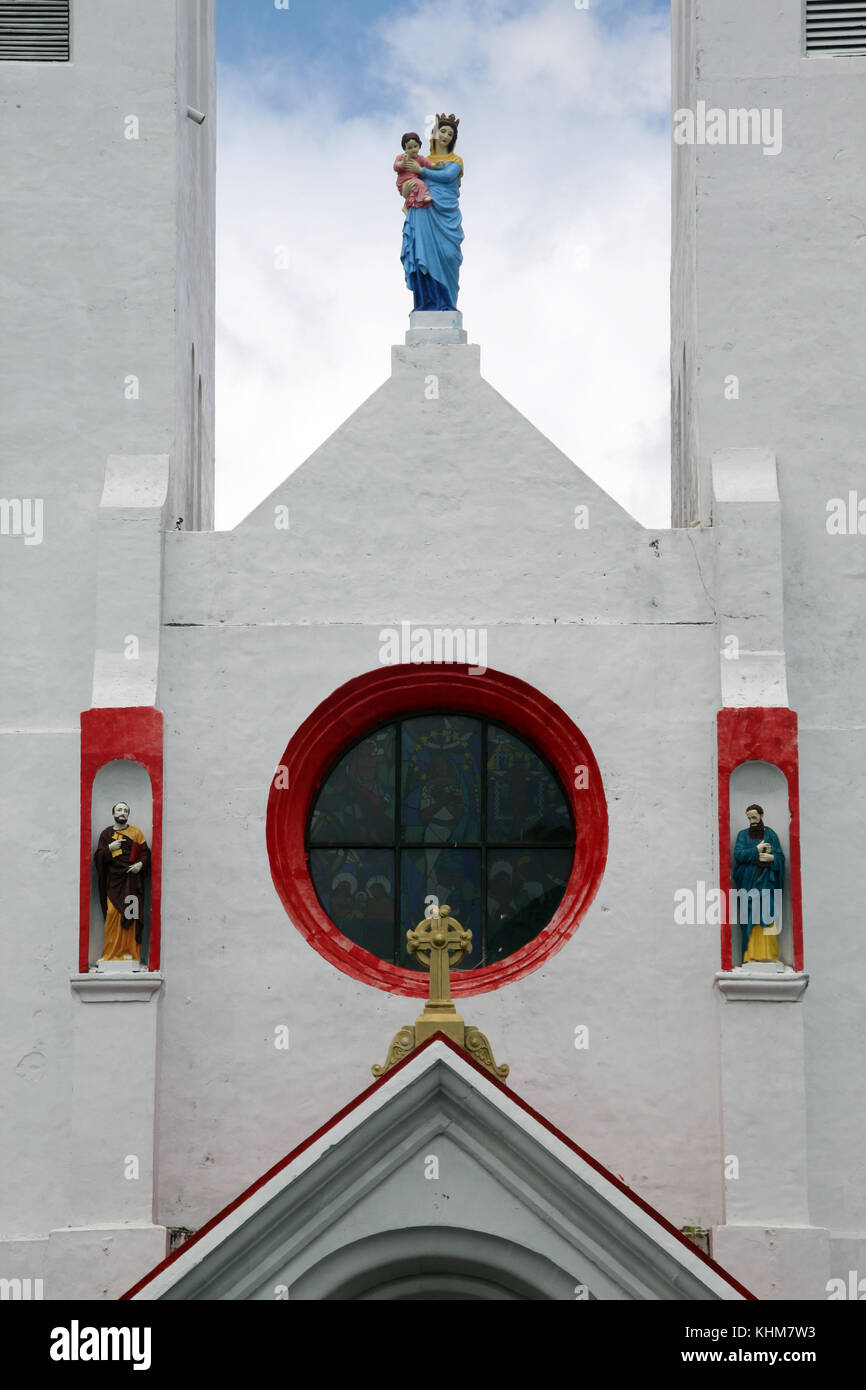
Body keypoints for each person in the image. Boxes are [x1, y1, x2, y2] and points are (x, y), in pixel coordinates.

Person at [399, 113, 464, 311]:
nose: (445, 135)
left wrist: (422, 170)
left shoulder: (455, 161)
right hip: (423, 211)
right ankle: (427, 303)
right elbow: (405, 182)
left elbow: (446, 176)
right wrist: (407, 188)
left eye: (450, 133)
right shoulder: (421, 160)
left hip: (446, 216)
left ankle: (447, 303)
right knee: (423, 256)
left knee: (449, 255)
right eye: (442, 131)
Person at [94, 801, 150, 963]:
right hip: (114, 881)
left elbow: (145, 852)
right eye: (119, 809)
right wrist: (109, 849)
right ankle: (110, 954)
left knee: (130, 916)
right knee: (112, 913)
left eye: (125, 810)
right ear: (113, 813)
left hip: (132, 881)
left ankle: (131, 954)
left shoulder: (136, 832)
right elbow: (98, 857)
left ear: (128, 814)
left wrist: (140, 864)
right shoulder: (106, 834)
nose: (122, 812)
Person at [732, 803, 785, 963]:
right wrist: (756, 850)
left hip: (766, 883)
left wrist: (772, 858)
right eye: (749, 818)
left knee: (768, 914)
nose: (752, 820)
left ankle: (769, 955)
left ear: (761, 816)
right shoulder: (742, 835)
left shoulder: (770, 835)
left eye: (754, 817)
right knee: (751, 918)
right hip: (748, 883)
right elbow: (738, 855)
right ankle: (750, 955)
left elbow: (780, 857)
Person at [394, 132, 443, 213]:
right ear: (405, 149)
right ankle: (425, 195)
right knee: (421, 184)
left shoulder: (420, 158)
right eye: (409, 148)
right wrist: (402, 163)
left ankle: (406, 206)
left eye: (415, 146)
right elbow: (395, 167)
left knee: (414, 193)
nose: (413, 150)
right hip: (403, 182)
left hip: (413, 180)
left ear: (419, 146)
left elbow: (428, 164)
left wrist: (436, 166)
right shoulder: (401, 157)